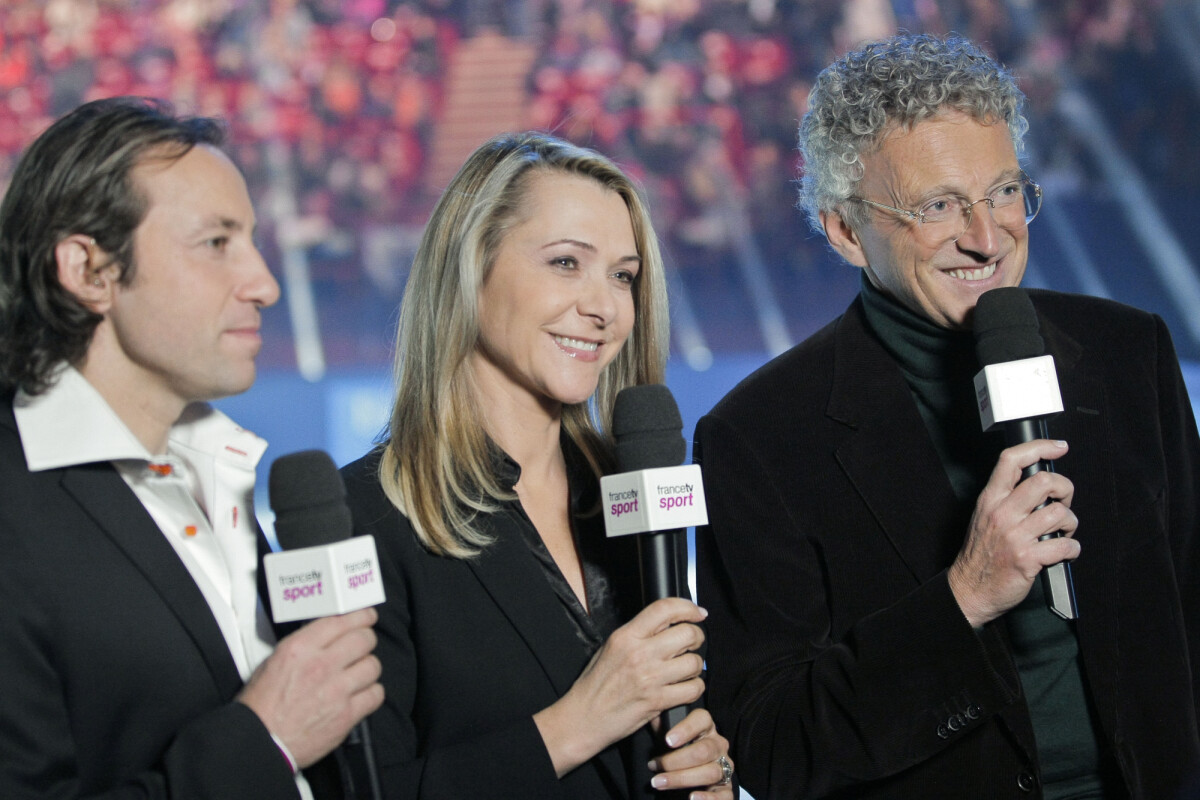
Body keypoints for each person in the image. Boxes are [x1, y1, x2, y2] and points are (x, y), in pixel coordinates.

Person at [695, 33, 1200, 799]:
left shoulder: (1128, 351)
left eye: (1003, 191)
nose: (988, 237)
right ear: (845, 231)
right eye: (938, 206)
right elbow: (769, 746)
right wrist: (965, 594)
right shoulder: (759, 436)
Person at [0, 97, 384, 800]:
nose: (264, 284)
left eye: (253, 242)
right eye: (217, 244)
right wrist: (262, 741)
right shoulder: (15, 514)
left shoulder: (215, 469)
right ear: (89, 271)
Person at [340, 131, 735, 798]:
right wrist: (576, 724)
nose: (605, 308)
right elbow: (363, 792)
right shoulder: (368, 515)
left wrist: (711, 772)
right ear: (472, 267)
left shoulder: (631, 492)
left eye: (622, 276)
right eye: (564, 263)